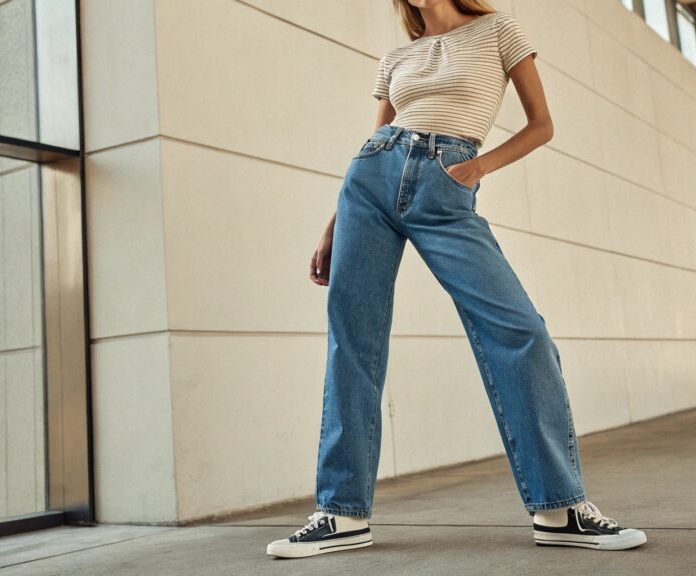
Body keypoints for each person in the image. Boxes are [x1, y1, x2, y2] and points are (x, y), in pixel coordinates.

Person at [267, 0, 647, 559]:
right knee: (353, 341)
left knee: (521, 333)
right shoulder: (397, 56)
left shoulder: (498, 30)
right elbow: (375, 138)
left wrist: (476, 168)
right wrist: (332, 227)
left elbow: (542, 126)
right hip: (368, 185)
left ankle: (560, 508)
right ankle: (340, 513)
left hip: (447, 180)